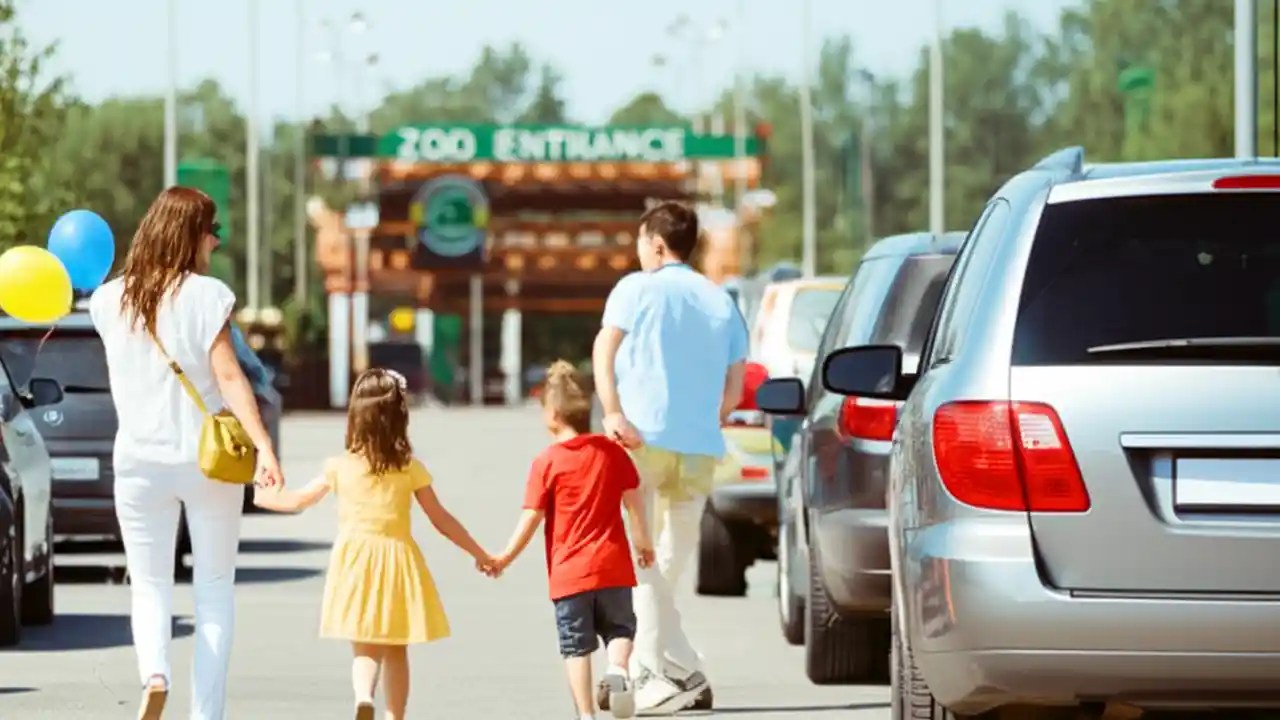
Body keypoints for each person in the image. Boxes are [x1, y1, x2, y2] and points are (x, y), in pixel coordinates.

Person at [89, 187, 283, 720]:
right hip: (207, 463)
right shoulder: (207, 295)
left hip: (137, 463)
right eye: (211, 229)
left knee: (148, 583)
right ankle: (206, 714)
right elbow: (228, 376)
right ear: (190, 233)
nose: (216, 240)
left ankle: (154, 673)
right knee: (214, 589)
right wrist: (264, 448)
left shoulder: (107, 301)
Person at [253, 368, 494, 720]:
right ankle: (394, 716)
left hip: (354, 561)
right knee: (396, 648)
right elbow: (442, 520)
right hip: (397, 560)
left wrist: (263, 495)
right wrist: (480, 553)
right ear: (400, 417)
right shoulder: (410, 468)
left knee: (364, 645)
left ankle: (363, 697)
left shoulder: (339, 466)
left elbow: (298, 501)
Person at [592, 201, 748, 714]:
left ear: (657, 244)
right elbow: (734, 387)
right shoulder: (721, 300)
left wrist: (612, 411)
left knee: (641, 561)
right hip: (699, 448)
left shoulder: (635, 289)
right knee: (668, 562)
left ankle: (645, 672)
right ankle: (683, 666)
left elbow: (604, 350)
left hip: (639, 439)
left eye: (641, 243)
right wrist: (707, 414)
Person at [491, 360, 655, 720]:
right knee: (621, 630)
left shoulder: (547, 462)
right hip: (614, 566)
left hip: (570, 576)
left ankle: (585, 714)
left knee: (575, 647)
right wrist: (644, 543)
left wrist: (505, 557)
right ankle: (618, 672)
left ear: (552, 414)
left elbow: (531, 518)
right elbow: (634, 501)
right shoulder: (613, 453)